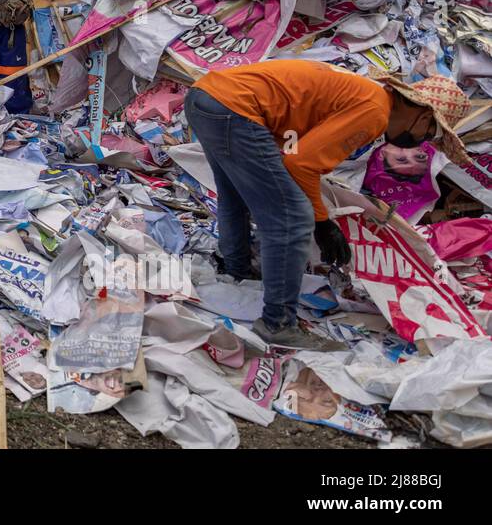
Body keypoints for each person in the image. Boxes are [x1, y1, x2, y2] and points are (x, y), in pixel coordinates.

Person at [183, 59, 470, 350]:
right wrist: (322, 223)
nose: (419, 143)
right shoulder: (375, 112)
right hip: (234, 109)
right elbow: (302, 164)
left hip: (206, 97)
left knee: (235, 194)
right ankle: (278, 323)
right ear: (424, 118)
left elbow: (295, 152)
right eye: (429, 137)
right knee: (293, 219)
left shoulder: (368, 95)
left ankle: (237, 272)